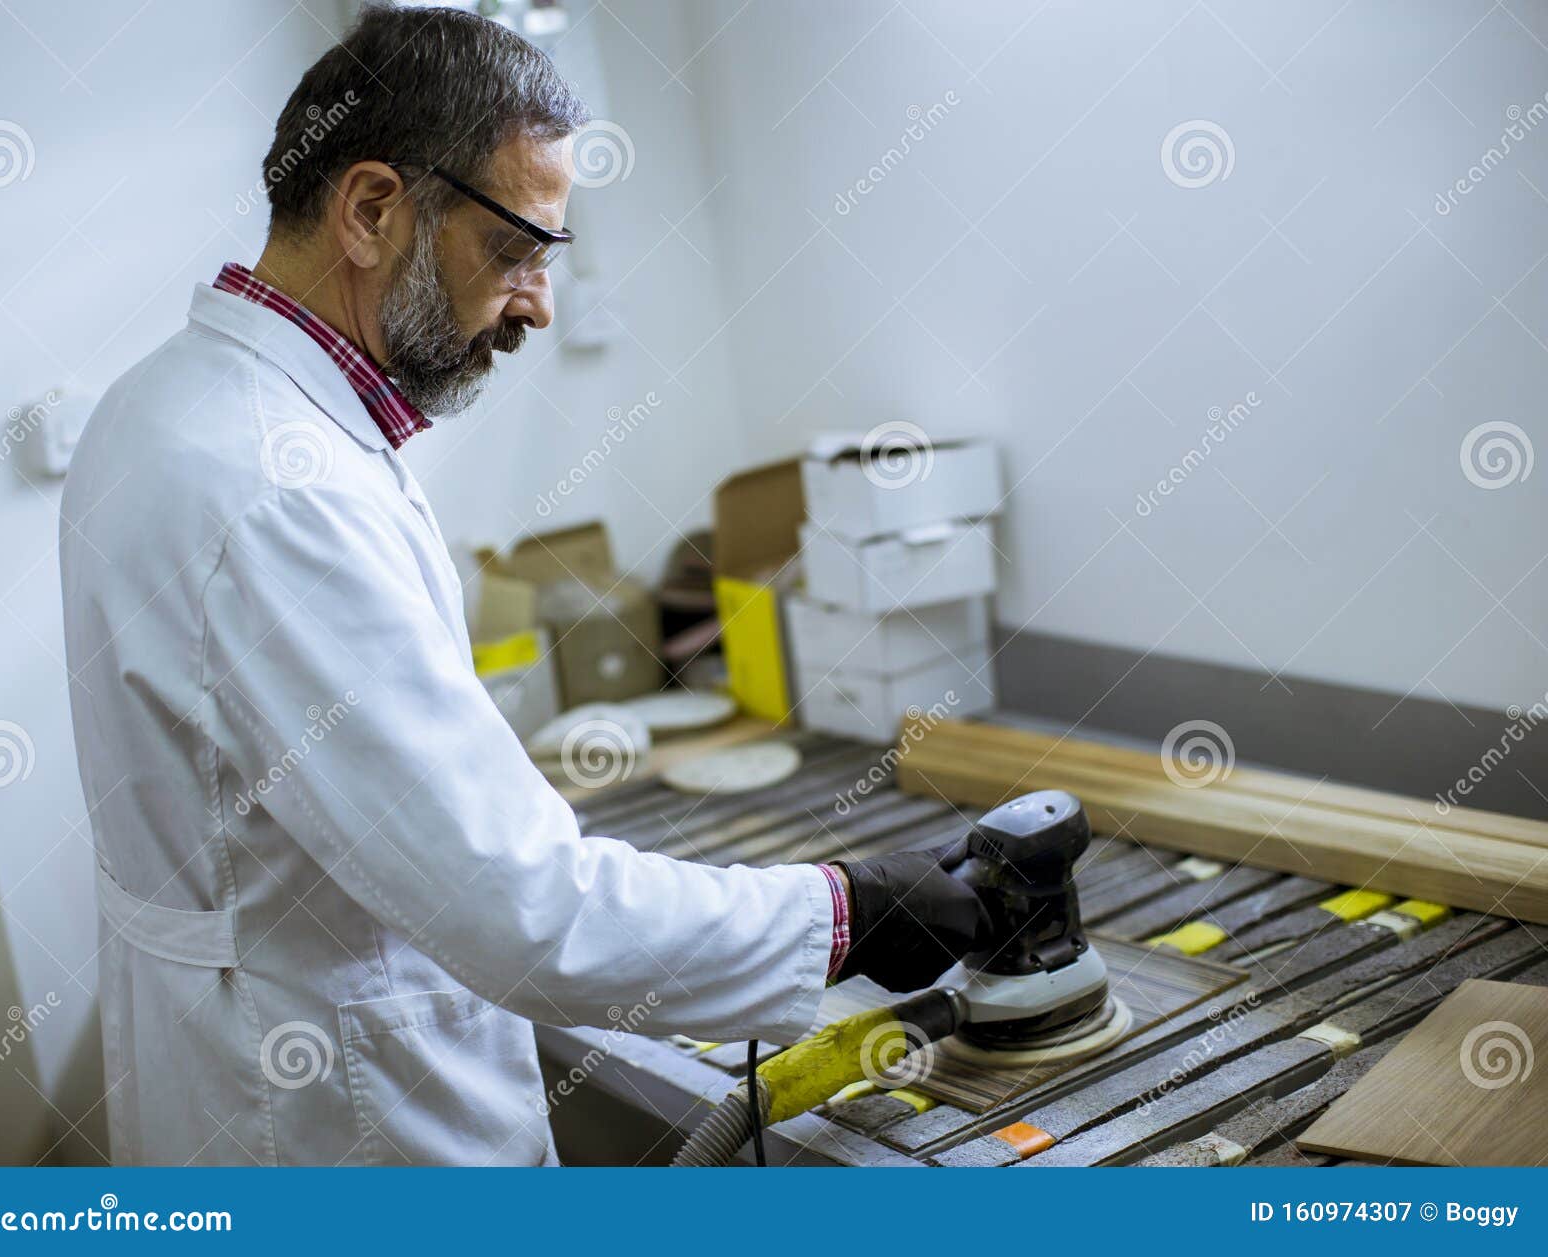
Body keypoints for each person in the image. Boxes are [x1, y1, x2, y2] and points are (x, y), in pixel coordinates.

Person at [59, 5, 987, 1166]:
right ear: (369, 209)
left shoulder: (168, 405)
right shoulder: (276, 488)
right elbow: (525, 912)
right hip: (335, 1117)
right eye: (515, 250)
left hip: (247, 1069)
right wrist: (843, 912)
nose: (539, 305)